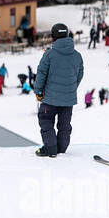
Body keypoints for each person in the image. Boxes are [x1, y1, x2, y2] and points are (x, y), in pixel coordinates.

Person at [33, 22, 85, 158]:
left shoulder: (49, 54)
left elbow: (41, 73)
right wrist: (70, 89)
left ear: (53, 37)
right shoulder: (77, 55)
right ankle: (61, 149)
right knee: (64, 125)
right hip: (68, 100)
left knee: (45, 121)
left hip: (50, 99)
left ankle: (50, 149)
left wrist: (38, 91)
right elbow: (79, 75)